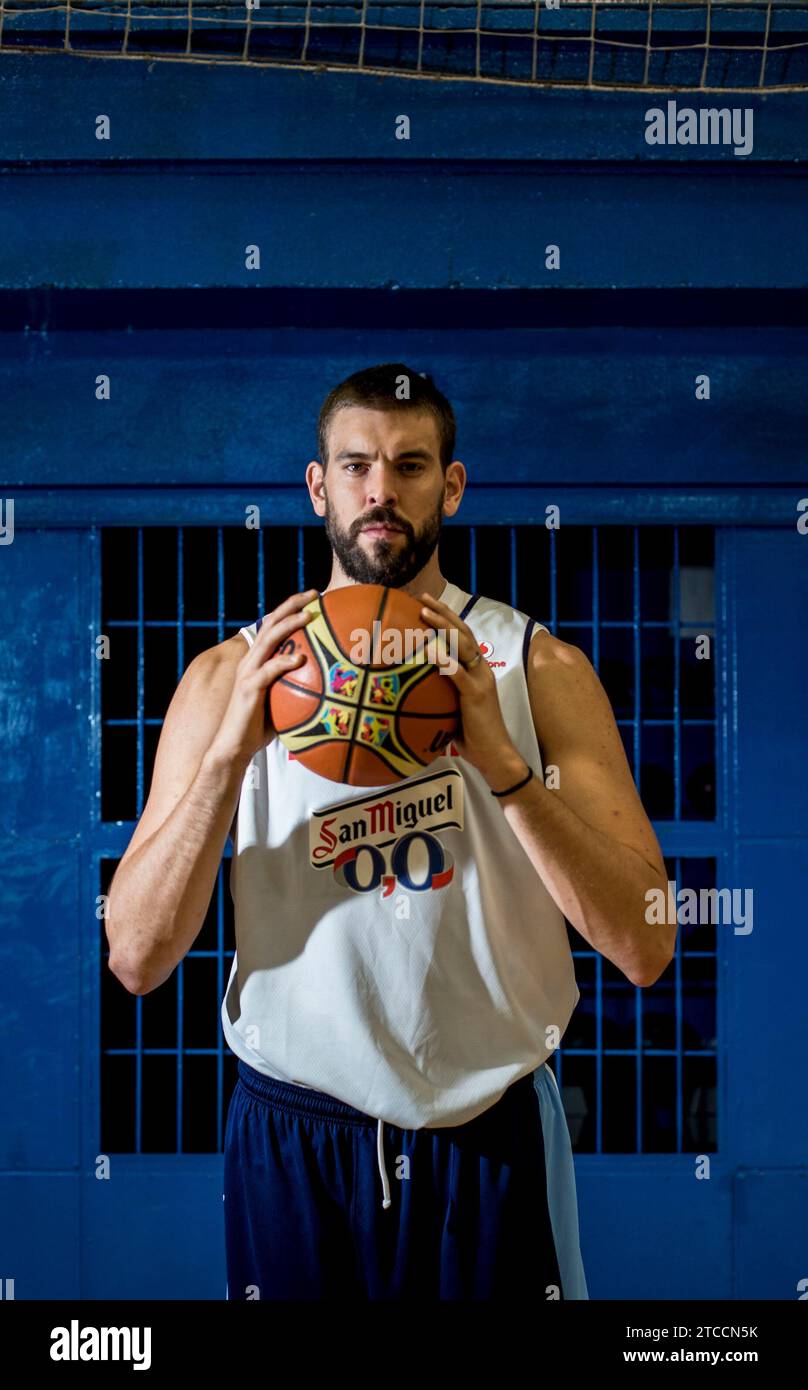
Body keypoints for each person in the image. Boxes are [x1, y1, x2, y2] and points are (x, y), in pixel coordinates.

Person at [106, 362, 674, 1301]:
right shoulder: (228, 678)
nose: (381, 490)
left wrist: (503, 769)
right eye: (357, 465)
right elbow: (134, 956)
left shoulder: (540, 669)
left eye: (411, 467)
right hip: (293, 1137)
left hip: (487, 1135)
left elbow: (647, 945)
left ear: (450, 486)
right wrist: (224, 766)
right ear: (318, 486)